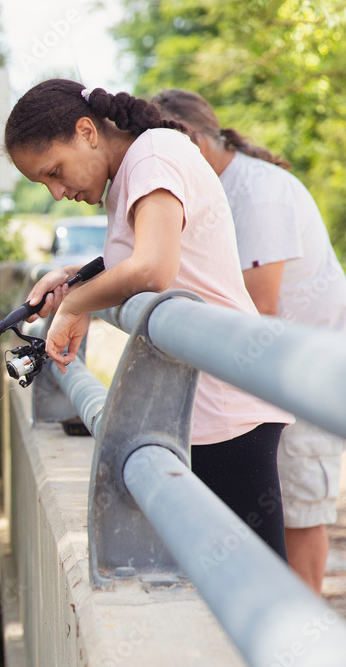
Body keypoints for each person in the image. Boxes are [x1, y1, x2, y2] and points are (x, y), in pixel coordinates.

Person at [3, 78, 294, 558]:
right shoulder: (131, 174)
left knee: (258, 592)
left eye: (55, 171)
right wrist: (73, 278)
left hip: (225, 412)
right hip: (197, 406)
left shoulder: (153, 157)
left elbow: (153, 269)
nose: (57, 192)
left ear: (87, 132)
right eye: (44, 183)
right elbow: (146, 265)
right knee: (221, 592)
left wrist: (75, 304)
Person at [152, 88, 346, 594]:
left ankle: (303, 642)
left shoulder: (257, 191)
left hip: (303, 373)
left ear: (189, 139)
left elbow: (259, 306)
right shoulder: (215, 188)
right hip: (262, 379)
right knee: (267, 524)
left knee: (299, 520)